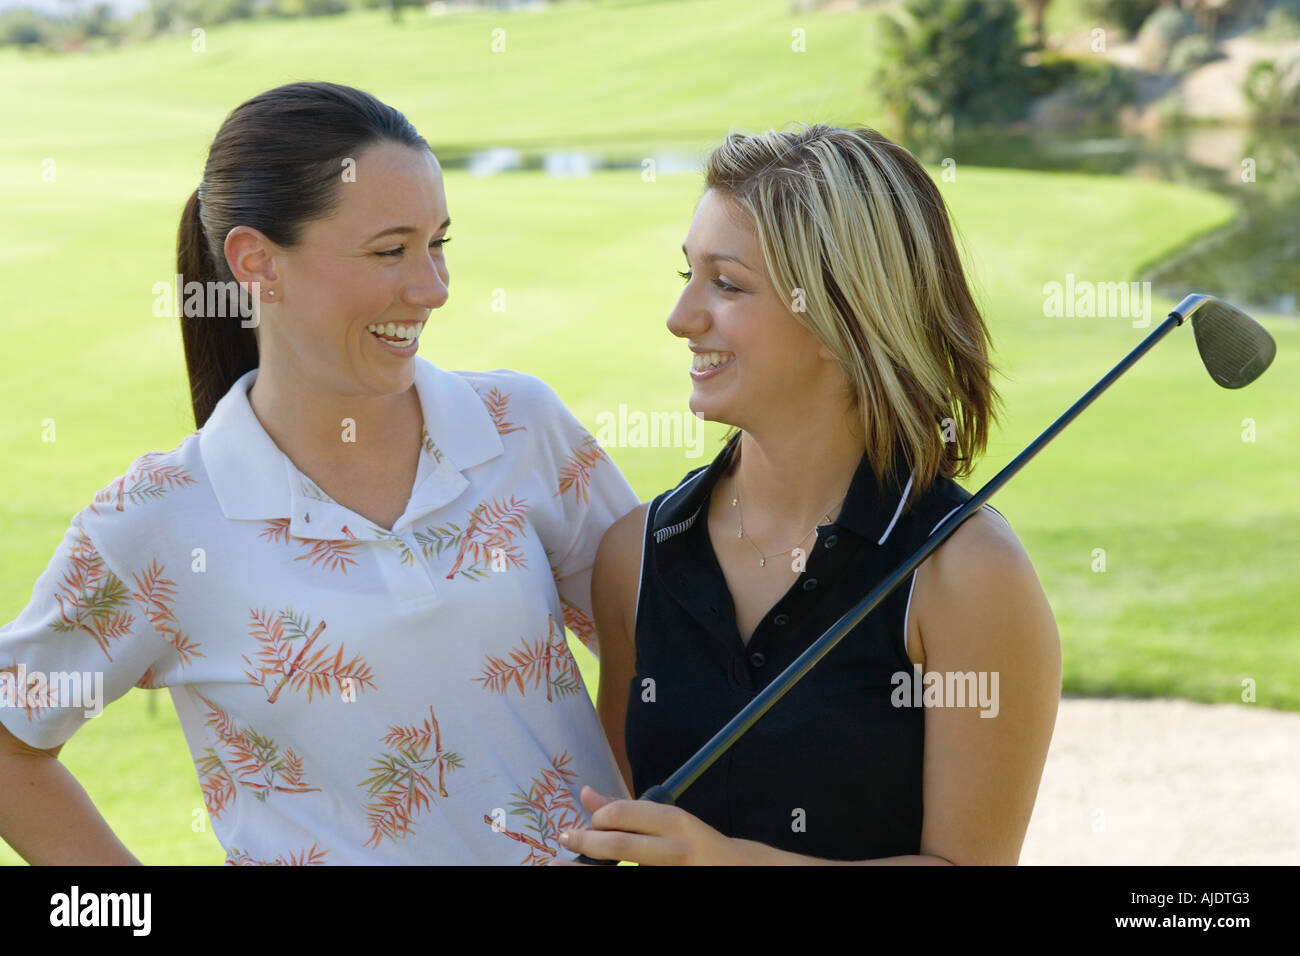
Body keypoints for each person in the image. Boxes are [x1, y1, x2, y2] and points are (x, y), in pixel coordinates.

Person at [0, 81, 637, 866]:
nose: (433, 288)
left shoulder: (521, 427)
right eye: (390, 251)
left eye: (438, 243)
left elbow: (669, 648)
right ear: (257, 263)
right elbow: (9, 746)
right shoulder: (158, 520)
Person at [559, 124, 1062, 865]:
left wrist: (722, 860)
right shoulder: (633, 557)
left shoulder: (965, 575)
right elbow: (619, 817)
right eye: (686, 276)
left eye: (726, 284)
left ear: (840, 318)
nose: (681, 318)